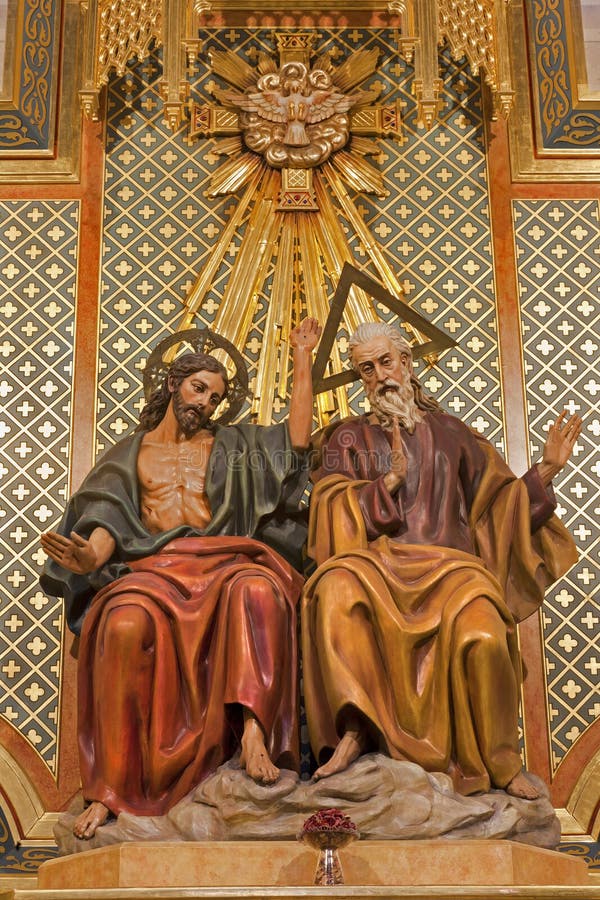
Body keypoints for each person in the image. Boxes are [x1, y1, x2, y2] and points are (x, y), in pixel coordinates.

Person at [41, 318, 321, 840]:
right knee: (122, 625)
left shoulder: (233, 447)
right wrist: (87, 559)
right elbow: (107, 522)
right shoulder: (129, 454)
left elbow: (297, 438)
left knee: (258, 589)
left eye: (214, 397)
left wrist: (301, 355)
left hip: (221, 560)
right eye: (198, 389)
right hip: (151, 571)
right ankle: (110, 791)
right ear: (173, 384)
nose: (205, 403)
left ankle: (255, 738)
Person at [302, 320, 580, 801]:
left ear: (407, 364)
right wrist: (385, 484)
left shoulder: (453, 434)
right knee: (334, 587)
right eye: (366, 370)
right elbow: (328, 508)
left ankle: (499, 760)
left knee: (486, 634)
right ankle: (355, 730)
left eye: (386, 362)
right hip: (378, 568)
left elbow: (498, 506)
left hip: (453, 572)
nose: (380, 377)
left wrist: (546, 471)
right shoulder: (346, 439)